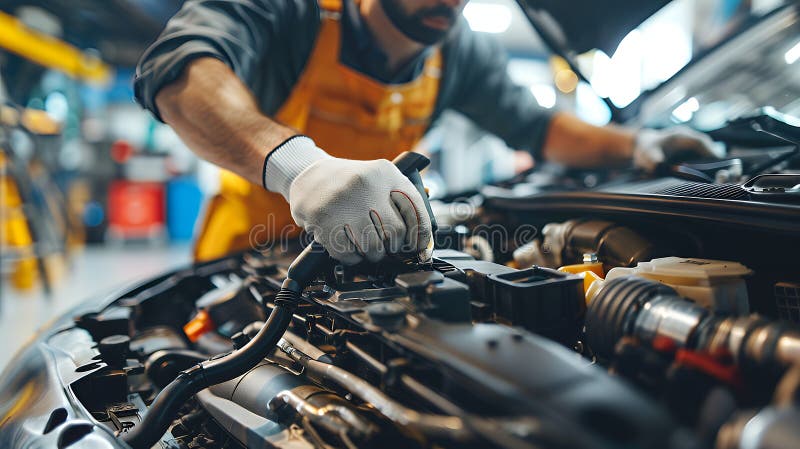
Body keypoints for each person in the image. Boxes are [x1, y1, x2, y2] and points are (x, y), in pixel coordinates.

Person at [134, 0, 719, 264]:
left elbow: (539, 129)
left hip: (375, 256)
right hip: (252, 253)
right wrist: (299, 168)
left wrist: (640, 146)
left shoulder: (459, 53)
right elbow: (178, 67)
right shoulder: (290, 11)